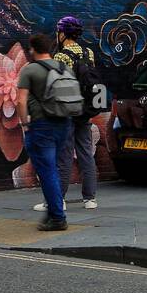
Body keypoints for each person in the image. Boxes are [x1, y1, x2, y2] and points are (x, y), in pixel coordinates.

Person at [15, 33, 76, 232]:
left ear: (33, 49)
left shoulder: (30, 70)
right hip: (64, 124)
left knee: (47, 171)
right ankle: (53, 213)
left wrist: (25, 123)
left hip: (42, 126)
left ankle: (57, 217)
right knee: (53, 170)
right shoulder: (63, 67)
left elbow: (21, 101)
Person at [53, 16, 101, 210]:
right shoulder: (89, 53)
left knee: (64, 156)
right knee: (86, 153)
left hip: (67, 111)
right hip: (85, 110)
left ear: (62, 34)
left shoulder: (61, 56)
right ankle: (90, 198)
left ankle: (59, 200)